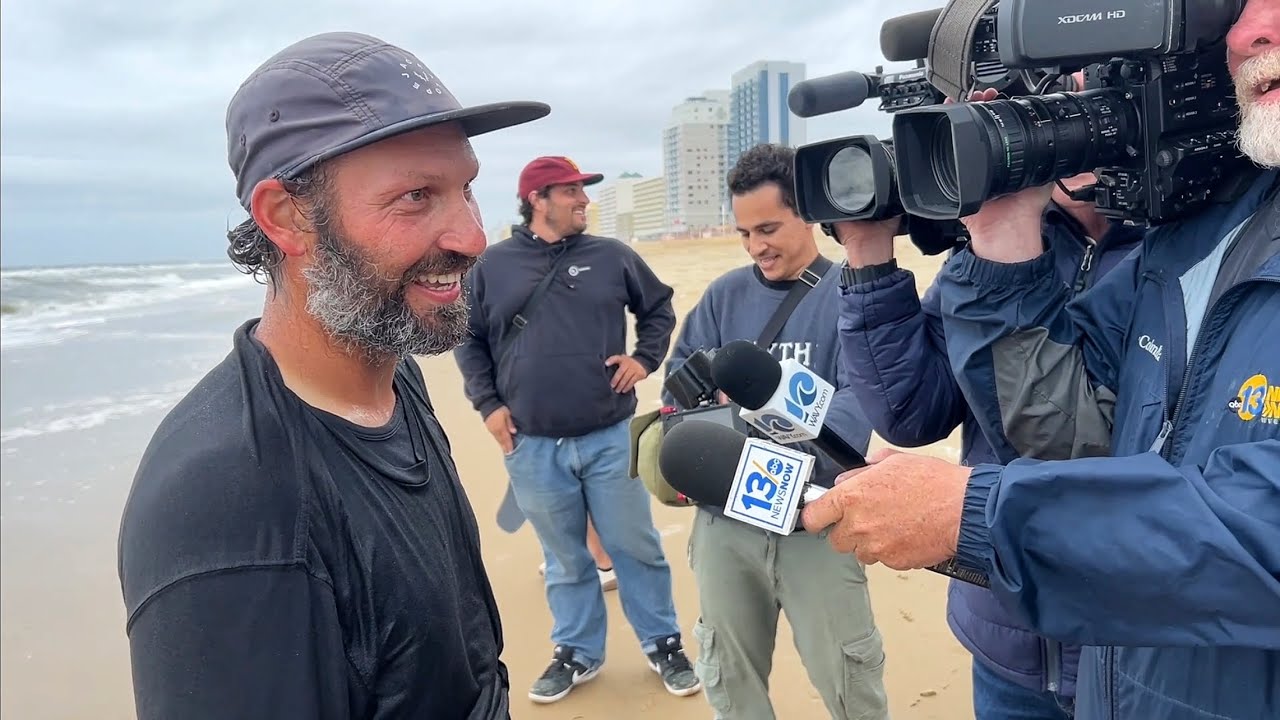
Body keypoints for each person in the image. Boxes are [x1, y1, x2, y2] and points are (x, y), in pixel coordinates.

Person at [801, 3, 1280, 718]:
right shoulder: (1194, 235)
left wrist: (979, 516)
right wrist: (991, 235)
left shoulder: (1164, 233)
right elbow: (1064, 441)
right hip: (1071, 659)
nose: (1251, 31)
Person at [116, 32, 552, 719]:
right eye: (415, 196)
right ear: (286, 217)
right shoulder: (230, 506)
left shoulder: (392, 373)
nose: (471, 236)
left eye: (465, 188)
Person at [832, 171, 1143, 719]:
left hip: (1142, 655)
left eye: (1079, 84)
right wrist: (868, 252)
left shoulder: (1184, 246)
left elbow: (1095, 462)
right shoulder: (983, 245)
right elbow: (911, 411)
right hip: (1008, 643)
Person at [453, 155, 700, 704]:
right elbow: (467, 339)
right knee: (565, 557)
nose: (583, 201)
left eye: (583, 192)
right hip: (531, 443)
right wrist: (488, 405)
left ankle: (663, 644)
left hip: (610, 436)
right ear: (537, 199)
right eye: (571, 192)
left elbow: (658, 307)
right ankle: (577, 652)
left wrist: (644, 359)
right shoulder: (492, 267)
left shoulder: (611, 257)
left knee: (636, 547)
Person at [662, 143, 889, 720]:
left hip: (817, 524)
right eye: (743, 233)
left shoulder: (850, 294)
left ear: (808, 215)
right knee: (730, 681)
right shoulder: (722, 297)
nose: (755, 246)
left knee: (849, 679)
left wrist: (775, 454)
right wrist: (693, 396)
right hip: (724, 526)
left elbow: (863, 406)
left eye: (767, 228)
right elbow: (677, 387)